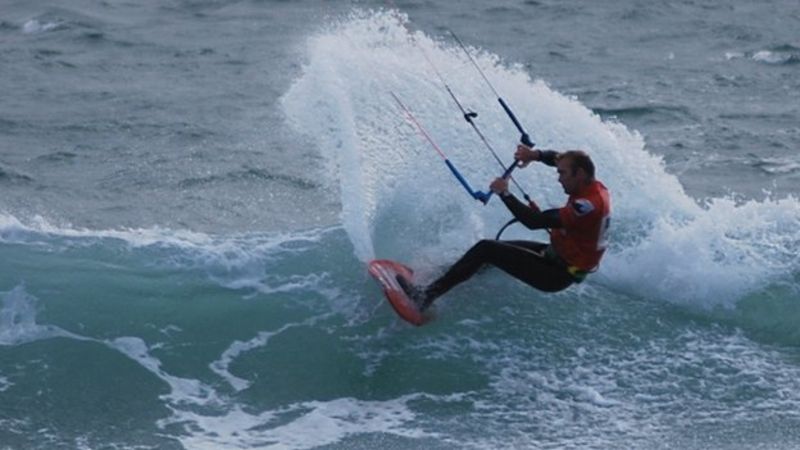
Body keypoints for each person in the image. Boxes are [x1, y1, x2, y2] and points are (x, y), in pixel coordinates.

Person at [398, 144, 611, 312]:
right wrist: (534, 155)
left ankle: (425, 296)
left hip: (557, 274)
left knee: (486, 249)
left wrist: (505, 193)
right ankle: (443, 279)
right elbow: (557, 158)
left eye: (562, 174)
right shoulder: (591, 185)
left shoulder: (587, 206)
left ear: (579, 174)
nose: (558, 179)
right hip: (553, 254)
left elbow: (534, 221)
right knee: (492, 252)